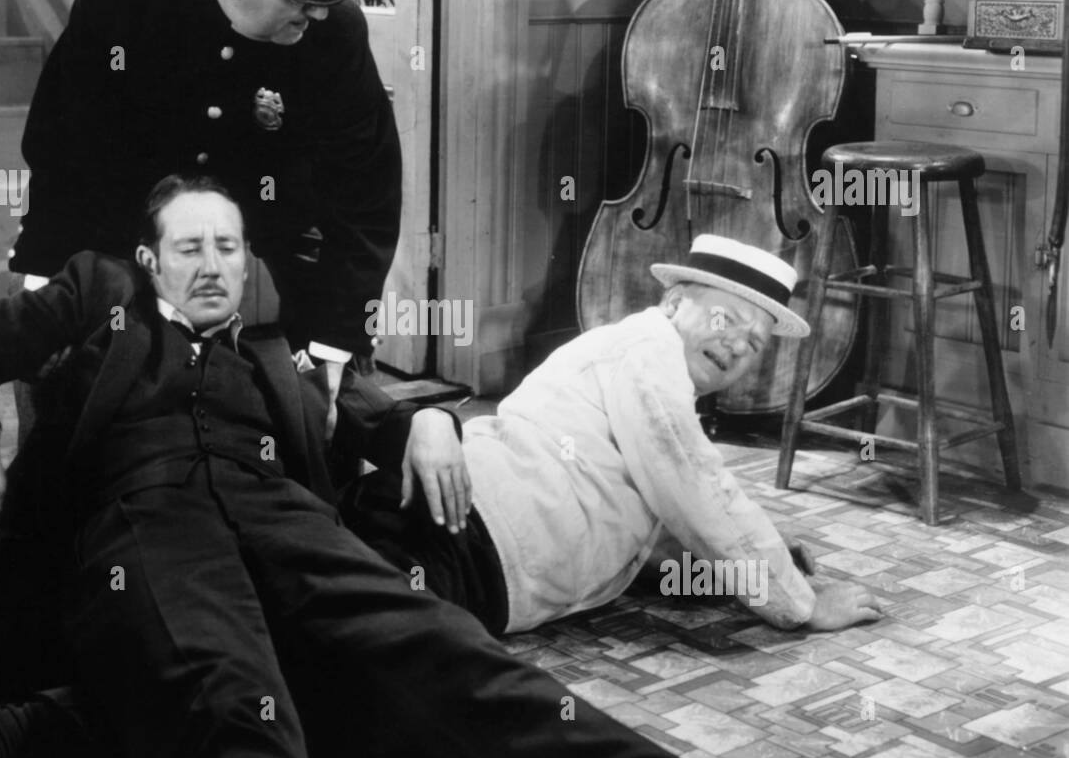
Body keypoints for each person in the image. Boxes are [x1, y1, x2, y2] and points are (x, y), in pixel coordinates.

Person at [0, 175, 821, 758]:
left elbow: (358, 419)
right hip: (145, 518)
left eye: (228, 245)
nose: (214, 265)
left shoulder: (278, 344)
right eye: (190, 248)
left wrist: (424, 424)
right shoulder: (99, 297)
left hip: (285, 515)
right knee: (222, 705)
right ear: (150, 260)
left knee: (452, 658)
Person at [341, 234, 887, 637]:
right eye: (727, 319)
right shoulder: (647, 351)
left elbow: (654, 531)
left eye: (756, 341)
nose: (739, 345)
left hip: (469, 546)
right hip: (452, 530)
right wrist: (799, 604)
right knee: (343, 650)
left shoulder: (647, 373)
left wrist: (757, 563)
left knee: (328, 626)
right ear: (673, 303)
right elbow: (698, 488)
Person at [11, 0, 402, 415]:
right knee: (76, 400)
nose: (315, 15)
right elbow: (60, 139)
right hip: (128, 231)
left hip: (275, 235)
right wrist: (46, 271)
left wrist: (336, 340)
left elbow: (368, 188)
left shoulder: (334, 26)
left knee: (328, 404)